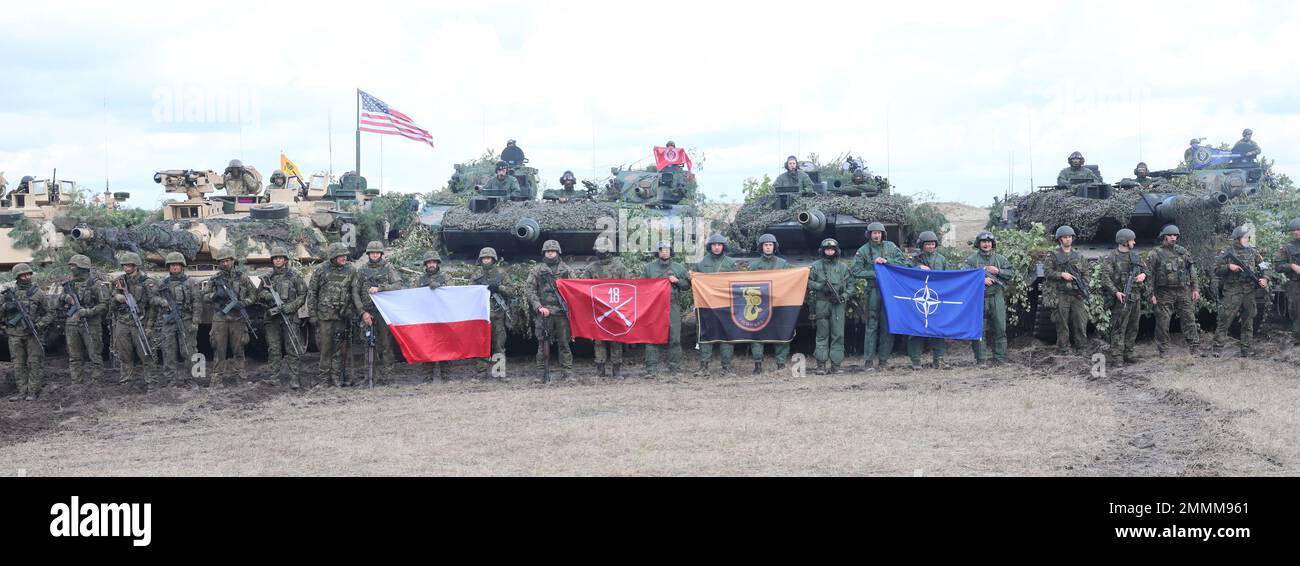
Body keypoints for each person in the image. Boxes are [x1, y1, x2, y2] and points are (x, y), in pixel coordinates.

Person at [851, 222, 904, 370]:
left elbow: (903, 263)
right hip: (872, 291)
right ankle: (868, 361)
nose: (877, 235)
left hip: (889, 292)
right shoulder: (863, 251)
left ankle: (883, 360)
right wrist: (876, 273)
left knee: (887, 326)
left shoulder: (891, 247)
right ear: (869, 234)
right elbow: (855, 271)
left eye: (879, 233)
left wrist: (888, 262)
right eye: (874, 233)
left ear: (883, 234)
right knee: (871, 327)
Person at [1146, 225, 1203, 357]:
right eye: (1170, 235)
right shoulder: (1155, 253)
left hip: (1183, 290)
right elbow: (1150, 275)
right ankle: (1164, 350)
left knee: (1189, 318)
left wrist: (1195, 288)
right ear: (1164, 236)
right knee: (1163, 321)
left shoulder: (1183, 252)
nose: (1173, 237)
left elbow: (1192, 271)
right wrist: (1151, 294)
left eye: (1175, 235)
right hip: (1164, 292)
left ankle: (1194, 348)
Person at [1212, 226, 1269, 358]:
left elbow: (1265, 267)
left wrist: (1265, 279)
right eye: (1244, 237)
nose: (1247, 239)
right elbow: (1216, 269)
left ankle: (1246, 349)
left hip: (1249, 292)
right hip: (1233, 292)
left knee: (1248, 321)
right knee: (1225, 319)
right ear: (1237, 239)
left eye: (1248, 237)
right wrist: (1228, 267)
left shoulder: (1254, 252)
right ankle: (1217, 348)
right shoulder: (1227, 252)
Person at [203, 249, 257, 387]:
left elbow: (253, 295)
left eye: (227, 260)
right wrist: (215, 296)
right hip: (220, 318)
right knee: (219, 350)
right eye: (222, 261)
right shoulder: (215, 279)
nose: (225, 263)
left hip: (237, 319)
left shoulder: (242, 277)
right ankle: (216, 380)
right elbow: (204, 296)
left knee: (239, 349)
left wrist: (243, 303)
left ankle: (241, 378)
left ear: (233, 261)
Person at [306, 244, 358, 387]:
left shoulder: (351, 270)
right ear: (333, 256)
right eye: (341, 255)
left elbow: (355, 292)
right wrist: (313, 315)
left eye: (345, 255)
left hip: (341, 317)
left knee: (338, 350)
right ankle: (324, 379)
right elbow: (312, 293)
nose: (344, 257)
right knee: (325, 349)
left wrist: (351, 310)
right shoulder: (321, 270)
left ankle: (335, 377)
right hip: (324, 317)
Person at [353, 241, 404, 384]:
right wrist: (362, 313)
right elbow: (355, 293)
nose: (375, 255)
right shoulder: (362, 270)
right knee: (368, 345)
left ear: (381, 254)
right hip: (367, 312)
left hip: (383, 313)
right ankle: (370, 377)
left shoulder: (388, 268)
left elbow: (398, 285)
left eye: (377, 253)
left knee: (386, 344)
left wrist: (380, 289)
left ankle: (388, 377)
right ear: (368, 254)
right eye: (372, 253)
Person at [526, 240, 575, 382]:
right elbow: (530, 290)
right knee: (542, 345)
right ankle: (541, 373)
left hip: (561, 313)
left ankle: (567, 372)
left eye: (553, 251)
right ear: (544, 253)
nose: (550, 253)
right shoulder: (537, 270)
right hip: (544, 313)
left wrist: (569, 307)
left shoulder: (566, 270)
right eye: (548, 251)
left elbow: (574, 289)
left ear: (558, 252)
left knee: (564, 344)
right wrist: (539, 307)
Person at [259, 247, 307, 389]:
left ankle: (295, 378)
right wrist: (267, 295)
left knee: (292, 347)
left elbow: (303, 294)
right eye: (275, 258)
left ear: (285, 260)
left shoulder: (294, 276)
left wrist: (290, 307)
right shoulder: (267, 277)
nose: (277, 260)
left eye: (280, 258)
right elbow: (258, 294)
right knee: (274, 349)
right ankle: (274, 377)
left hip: (290, 317)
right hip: (272, 319)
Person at [1100, 229, 1149, 366]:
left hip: (1136, 297)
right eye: (1132, 240)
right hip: (1121, 298)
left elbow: (1146, 271)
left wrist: (1143, 276)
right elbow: (1105, 278)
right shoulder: (1111, 257)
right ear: (1124, 241)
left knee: (1133, 326)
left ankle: (1129, 352)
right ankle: (1116, 356)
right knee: (1119, 327)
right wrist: (1116, 292)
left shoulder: (1136, 257)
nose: (1134, 242)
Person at [964, 231, 1013, 367]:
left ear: (993, 243)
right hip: (978, 298)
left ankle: (999, 358)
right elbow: (964, 277)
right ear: (978, 244)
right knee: (979, 329)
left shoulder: (1000, 259)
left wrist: (998, 271)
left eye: (989, 242)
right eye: (983, 242)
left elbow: (1010, 273)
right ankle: (981, 360)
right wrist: (981, 279)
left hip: (996, 296)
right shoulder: (972, 260)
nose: (986, 244)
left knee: (1000, 328)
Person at [642, 240, 691, 376]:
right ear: (657, 252)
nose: (664, 252)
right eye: (661, 249)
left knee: (674, 337)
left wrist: (677, 281)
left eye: (667, 249)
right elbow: (642, 286)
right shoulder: (649, 268)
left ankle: (675, 368)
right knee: (652, 337)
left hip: (672, 305)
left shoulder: (678, 268)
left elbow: (687, 286)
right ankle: (651, 369)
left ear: (671, 252)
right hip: (654, 306)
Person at [692, 233, 738, 376]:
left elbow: (737, 282)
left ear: (723, 246)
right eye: (714, 245)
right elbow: (693, 284)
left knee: (727, 336)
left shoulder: (730, 263)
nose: (717, 247)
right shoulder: (701, 263)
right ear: (710, 247)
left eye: (719, 245)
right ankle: (704, 367)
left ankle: (727, 367)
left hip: (726, 305)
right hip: (706, 305)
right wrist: (690, 277)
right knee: (706, 336)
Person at [582, 238, 629, 379]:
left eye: (602, 251)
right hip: (598, 309)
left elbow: (628, 288)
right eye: (598, 251)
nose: (600, 253)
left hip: (616, 309)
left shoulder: (620, 267)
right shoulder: (591, 269)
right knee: (599, 340)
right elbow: (583, 288)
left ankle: (617, 370)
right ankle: (600, 370)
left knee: (616, 340)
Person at [110, 252, 158, 389]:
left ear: (136, 266)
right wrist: (116, 296)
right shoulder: (119, 281)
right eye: (124, 265)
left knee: (146, 353)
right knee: (124, 354)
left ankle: (151, 382)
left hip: (140, 322)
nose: (126, 268)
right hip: (123, 321)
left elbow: (153, 306)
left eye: (129, 265)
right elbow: (111, 303)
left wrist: (150, 326)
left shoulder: (147, 282)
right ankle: (126, 381)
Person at [4, 263, 51, 401]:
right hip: (14, 335)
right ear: (17, 277)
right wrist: (7, 306)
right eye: (24, 275)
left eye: (29, 274)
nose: (27, 277)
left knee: (34, 363)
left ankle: (33, 391)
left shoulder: (38, 293)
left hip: (32, 334)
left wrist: (39, 325)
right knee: (18, 364)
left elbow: (49, 314)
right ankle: (22, 391)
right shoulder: (9, 294)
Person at [152, 253, 199, 387]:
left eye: (177, 265)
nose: (175, 267)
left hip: (186, 319)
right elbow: (153, 298)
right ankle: (170, 381)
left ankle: (191, 380)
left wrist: (195, 321)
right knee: (168, 351)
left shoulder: (190, 282)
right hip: (168, 322)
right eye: (172, 265)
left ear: (182, 266)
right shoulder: (162, 283)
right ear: (169, 267)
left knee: (189, 351)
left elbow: (197, 303)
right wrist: (163, 301)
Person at [62, 254, 109, 386]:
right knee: (74, 357)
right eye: (71, 265)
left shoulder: (96, 285)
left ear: (82, 267)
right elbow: (58, 303)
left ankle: (97, 383)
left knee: (95, 355)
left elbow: (104, 305)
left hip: (91, 324)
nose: (71, 268)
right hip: (72, 324)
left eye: (74, 266)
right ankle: (76, 383)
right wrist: (65, 298)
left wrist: (88, 312)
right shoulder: (69, 284)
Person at [906, 231, 949, 370]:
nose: (930, 246)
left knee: (938, 329)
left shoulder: (941, 259)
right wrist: (918, 267)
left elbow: (949, 276)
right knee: (916, 329)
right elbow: (903, 269)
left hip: (936, 298)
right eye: (927, 244)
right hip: (918, 298)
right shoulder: (914, 258)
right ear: (922, 245)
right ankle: (916, 360)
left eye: (932, 244)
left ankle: (939, 359)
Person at [748, 233, 790, 373]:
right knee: (758, 334)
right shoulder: (754, 265)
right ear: (761, 247)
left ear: (774, 247)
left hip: (778, 303)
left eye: (770, 245)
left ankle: (781, 364)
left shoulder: (782, 264)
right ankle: (758, 364)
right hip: (759, 304)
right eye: (765, 245)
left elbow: (790, 280)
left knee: (780, 333)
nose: (768, 247)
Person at [470, 247, 513, 382]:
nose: (486, 260)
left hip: (498, 316)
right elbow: (470, 293)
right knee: (481, 346)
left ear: (493, 259)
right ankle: (481, 374)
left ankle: (499, 373)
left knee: (499, 346)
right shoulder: (476, 275)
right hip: (482, 317)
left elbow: (512, 291)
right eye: (484, 258)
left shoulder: (501, 274)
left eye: (488, 258)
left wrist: (498, 288)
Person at [809, 238, 851, 374]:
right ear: (822, 250)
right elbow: (808, 282)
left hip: (838, 303)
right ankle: (821, 365)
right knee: (822, 334)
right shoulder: (816, 266)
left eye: (832, 249)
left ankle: (836, 365)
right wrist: (820, 286)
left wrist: (844, 296)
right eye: (827, 249)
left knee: (838, 334)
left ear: (836, 251)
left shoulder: (843, 267)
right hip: (822, 302)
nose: (829, 251)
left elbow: (851, 285)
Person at [1046, 226, 1089, 354]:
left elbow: (1086, 273)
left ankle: (1081, 347)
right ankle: (1064, 348)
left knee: (1080, 322)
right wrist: (1061, 275)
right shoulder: (1053, 255)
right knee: (1062, 323)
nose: (1068, 239)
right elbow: (1048, 272)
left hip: (1077, 295)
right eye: (1065, 237)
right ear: (1060, 239)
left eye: (1070, 237)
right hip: (1061, 293)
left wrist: (1083, 289)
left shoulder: (1079, 256)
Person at [415, 251, 448, 383]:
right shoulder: (420, 279)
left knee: (445, 346)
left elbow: (453, 292)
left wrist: (441, 287)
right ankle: (427, 377)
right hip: (426, 318)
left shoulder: (446, 277)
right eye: (429, 262)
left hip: (443, 317)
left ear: (437, 263)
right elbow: (413, 296)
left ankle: (446, 376)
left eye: (434, 262)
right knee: (427, 347)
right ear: (425, 264)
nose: (431, 264)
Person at [1274, 218, 1300, 346]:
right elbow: (1277, 266)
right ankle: (1297, 338)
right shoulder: (1287, 247)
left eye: (1299, 230)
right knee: (1295, 310)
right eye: (1294, 230)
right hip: (1295, 284)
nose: (1296, 232)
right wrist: (1291, 266)